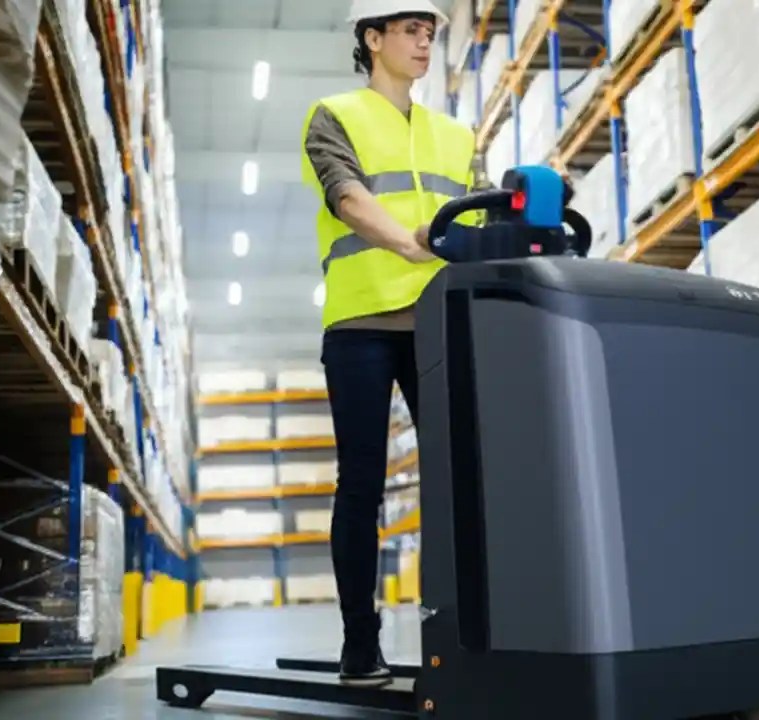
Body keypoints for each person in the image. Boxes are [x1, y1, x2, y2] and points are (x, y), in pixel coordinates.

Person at [300, 0, 478, 687]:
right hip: (361, 325)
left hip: (437, 319)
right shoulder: (333, 116)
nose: (424, 42)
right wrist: (413, 243)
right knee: (363, 484)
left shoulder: (456, 135)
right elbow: (346, 197)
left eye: (430, 32)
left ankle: (463, 630)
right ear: (372, 39)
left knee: (461, 479)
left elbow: (481, 213)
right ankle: (359, 642)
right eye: (410, 30)